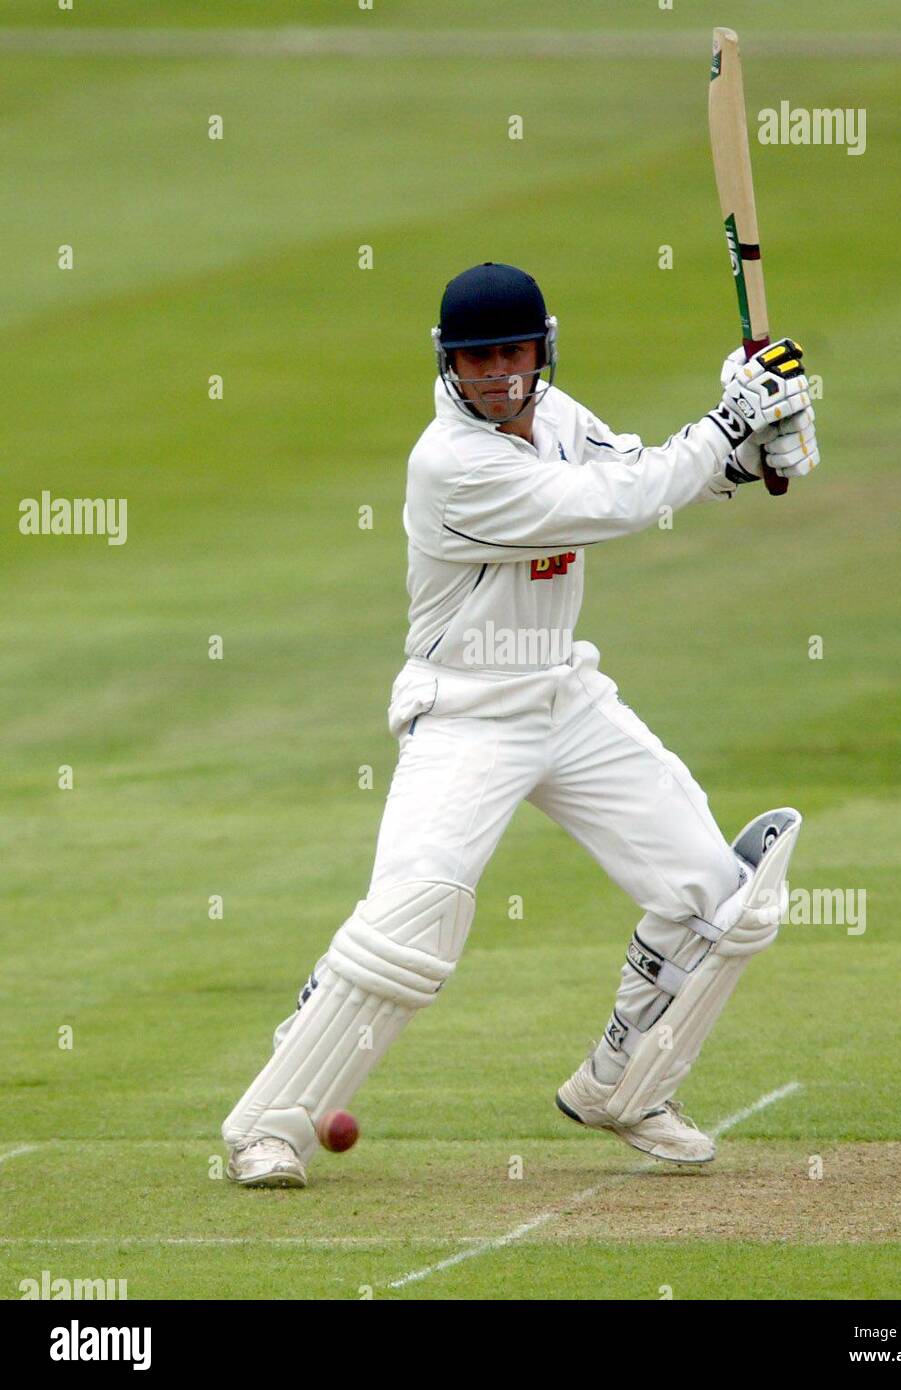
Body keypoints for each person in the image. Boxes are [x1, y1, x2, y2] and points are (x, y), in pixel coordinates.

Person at [222, 262, 818, 1187]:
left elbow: (641, 471)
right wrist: (730, 421)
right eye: (479, 359)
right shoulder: (451, 464)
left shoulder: (558, 413)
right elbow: (614, 505)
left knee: (726, 899)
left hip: (563, 697)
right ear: (449, 364)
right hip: (465, 711)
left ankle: (623, 1087)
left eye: (515, 353)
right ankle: (266, 1126)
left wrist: (748, 451)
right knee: (413, 922)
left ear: (543, 348)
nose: (499, 375)